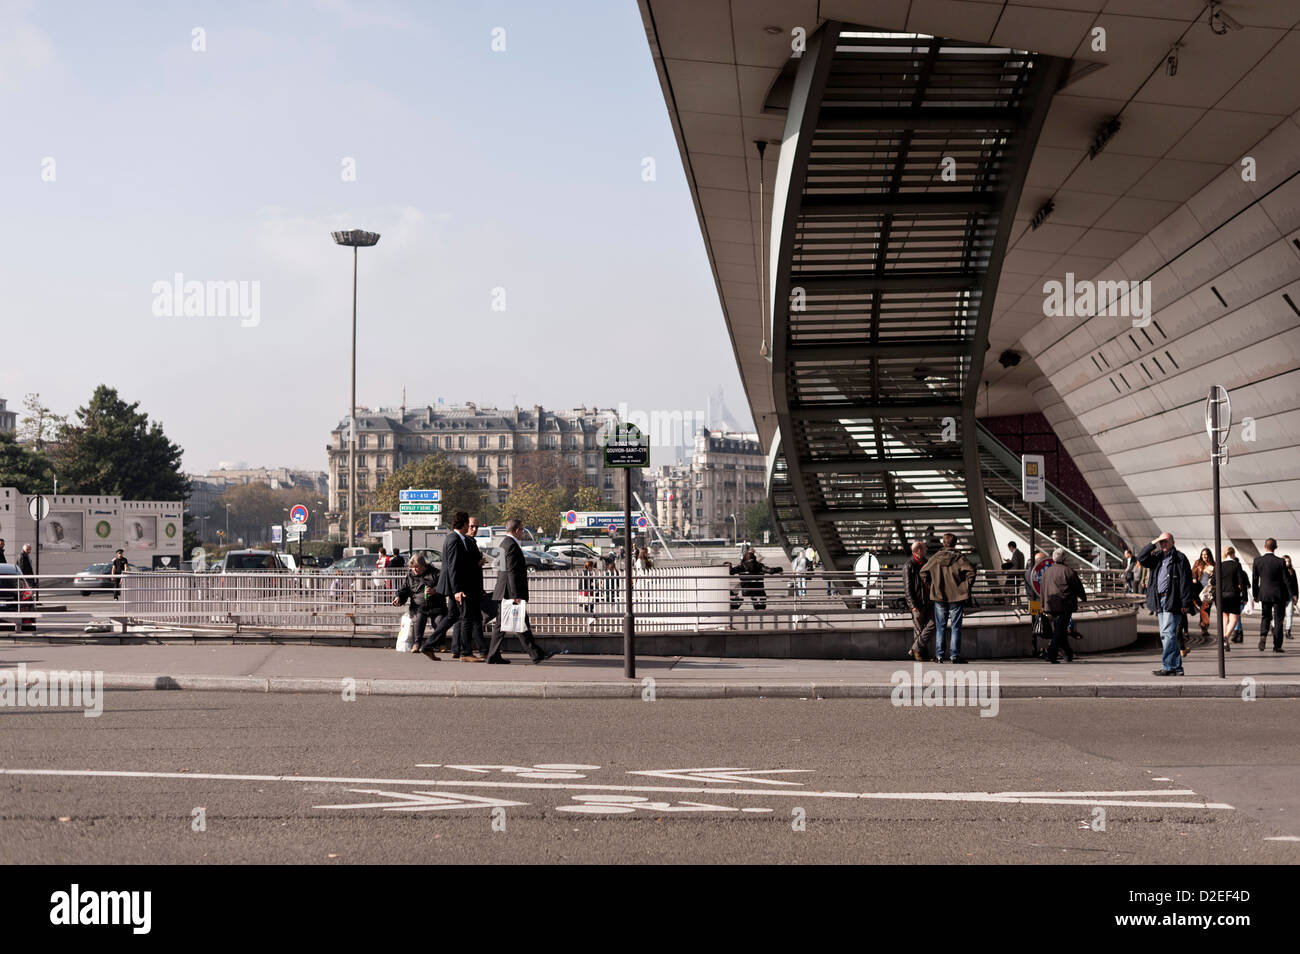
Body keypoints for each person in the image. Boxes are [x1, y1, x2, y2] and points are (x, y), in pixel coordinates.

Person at [486, 518, 553, 664]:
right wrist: (515, 596)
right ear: (517, 531)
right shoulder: (511, 545)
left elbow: (501, 569)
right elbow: (511, 572)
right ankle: (536, 654)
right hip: (509, 593)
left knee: (501, 625)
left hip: (504, 590)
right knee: (520, 622)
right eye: (522, 530)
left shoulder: (504, 543)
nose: (522, 532)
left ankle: (493, 655)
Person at [1135, 532, 1197, 675]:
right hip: (1159, 600)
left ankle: (1169, 667)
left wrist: (1185, 602)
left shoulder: (1180, 558)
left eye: (1166, 541)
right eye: (1161, 542)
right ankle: (1176, 667)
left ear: (1173, 542)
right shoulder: (1156, 557)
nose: (1163, 544)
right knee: (1166, 634)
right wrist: (1153, 542)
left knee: (1168, 633)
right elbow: (1141, 558)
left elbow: (1185, 582)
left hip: (1173, 600)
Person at [429, 512, 483, 661]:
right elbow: (453, 567)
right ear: (465, 524)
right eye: (469, 524)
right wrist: (457, 590)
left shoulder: (458, 538)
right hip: (456, 587)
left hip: (456, 585)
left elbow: (459, 564)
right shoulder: (454, 539)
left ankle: (428, 645)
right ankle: (466, 653)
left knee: (453, 616)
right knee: (465, 617)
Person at [920, 533, 976, 664]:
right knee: (956, 627)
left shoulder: (935, 557)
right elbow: (971, 572)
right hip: (957, 596)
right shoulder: (959, 558)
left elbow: (923, 572)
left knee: (940, 627)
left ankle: (939, 656)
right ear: (955, 543)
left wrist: (931, 585)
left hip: (939, 596)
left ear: (943, 543)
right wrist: (965, 587)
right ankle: (954, 656)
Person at [1039, 549, 1086, 663]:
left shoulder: (1047, 571)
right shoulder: (1068, 571)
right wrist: (1083, 597)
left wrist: (1043, 603)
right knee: (1059, 630)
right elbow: (1077, 587)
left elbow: (1043, 588)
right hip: (1065, 605)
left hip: (1050, 604)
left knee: (1060, 629)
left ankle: (1067, 654)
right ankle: (1052, 653)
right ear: (1064, 559)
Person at [392, 555, 444, 658]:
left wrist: (435, 591)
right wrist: (398, 598)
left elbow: (444, 586)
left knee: (439, 622)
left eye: (417, 567)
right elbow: (404, 590)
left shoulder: (435, 573)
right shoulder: (410, 576)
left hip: (436, 605)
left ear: (424, 566)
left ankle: (441, 644)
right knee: (418, 619)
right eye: (412, 567)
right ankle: (417, 643)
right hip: (418, 606)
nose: (414, 570)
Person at [1252, 538, 1288, 653]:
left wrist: (1255, 594)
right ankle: (1277, 646)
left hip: (1265, 594)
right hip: (1278, 594)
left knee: (1265, 616)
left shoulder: (1257, 561)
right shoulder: (1280, 561)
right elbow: (1286, 579)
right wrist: (1291, 595)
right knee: (1278, 620)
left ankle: (1263, 635)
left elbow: (1254, 579)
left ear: (1264, 546)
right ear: (1275, 547)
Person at [904, 539, 934, 662]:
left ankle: (915, 649)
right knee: (919, 629)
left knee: (931, 624)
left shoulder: (926, 562)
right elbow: (907, 588)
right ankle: (920, 655)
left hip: (928, 601)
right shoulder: (909, 565)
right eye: (925, 549)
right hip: (917, 602)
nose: (926, 550)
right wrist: (912, 605)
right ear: (919, 550)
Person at [1215, 547, 1249, 654]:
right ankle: (1225, 637)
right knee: (1234, 619)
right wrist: (1245, 597)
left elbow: (1212, 581)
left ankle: (1226, 642)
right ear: (1233, 554)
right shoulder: (1236, 565)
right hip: (1233, 595)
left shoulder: (1219, 565)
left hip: (1221, 596)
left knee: (1225, 618)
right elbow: (1241, 582)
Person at [1191, 548, 1214, 637]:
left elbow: (1215, 576)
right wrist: (1194, 578)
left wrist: (1211, 572)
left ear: (1209, 555)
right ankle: (1203, 626)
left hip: (1208, 590)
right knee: (1202, 608)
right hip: (1199, 590)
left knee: (1207, 609)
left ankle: (1205, 626)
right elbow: (1193, 572)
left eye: (1206, 554)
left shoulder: (1213, 564)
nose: (1204, 556)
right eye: (1202, 554)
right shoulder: (1198, 563)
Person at [1282, 554, 1297, 640]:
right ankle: (1273, 625)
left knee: (1290, 614)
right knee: (1281, 614)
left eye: (1288, 561)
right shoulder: (1279, 571)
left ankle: (1288, 631)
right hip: (1281, 596)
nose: (1287, 563)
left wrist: (1296, 596)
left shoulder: (1292, 571)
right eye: (1285, 561)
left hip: (1290, 595)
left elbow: (1295, 584)